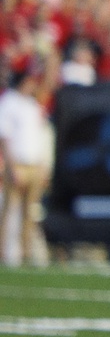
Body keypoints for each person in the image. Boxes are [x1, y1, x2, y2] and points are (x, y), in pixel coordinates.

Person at [0, 65, 54, 268]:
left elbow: (37, 138)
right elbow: (5, 138)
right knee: (9, 211)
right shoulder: (9, 102)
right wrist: (11, 166)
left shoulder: (32, 105)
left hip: (33, 163)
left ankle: (25, 253)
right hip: (18, 164)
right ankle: (3, 253)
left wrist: (41, 165)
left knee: (29, 212)